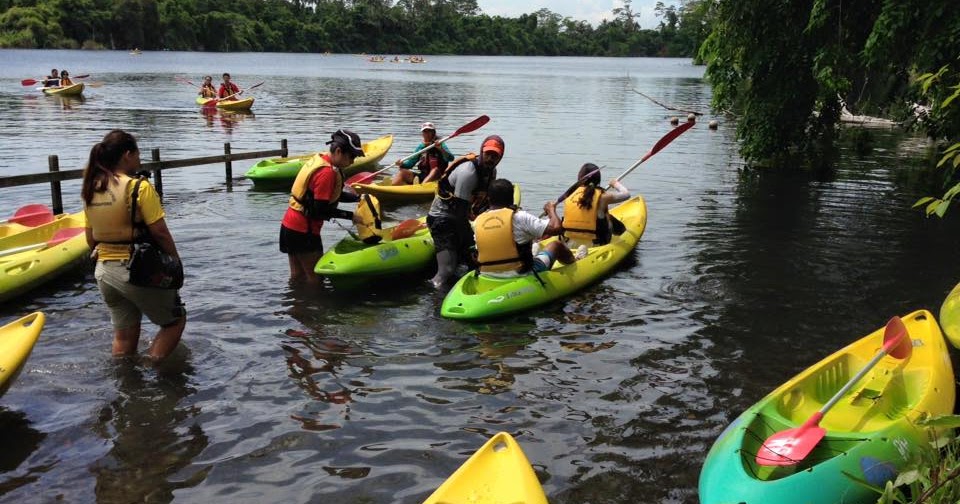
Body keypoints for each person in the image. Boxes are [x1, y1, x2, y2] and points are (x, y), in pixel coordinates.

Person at [81, 130, 186, 362]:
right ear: (127, 155)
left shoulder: (92, 188)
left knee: (124, 336)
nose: (139, 160)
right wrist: (175, 262)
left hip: (104, 272)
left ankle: (126, 379)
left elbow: (90, 239)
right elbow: (160, 233)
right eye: (137, 154)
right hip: (135, 269)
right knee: (175, 321)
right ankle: (153, 369)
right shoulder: (138, 188)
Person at [280, 129, 364, 284]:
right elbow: (321, 210)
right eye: (352, 156)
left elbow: (327, 195)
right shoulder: (327, 173)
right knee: (316, 279)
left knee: (297, 275)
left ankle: (295, 305)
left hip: (289, 226)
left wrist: (358, 197)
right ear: (339, 151)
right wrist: (352, 216)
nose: (353, 161)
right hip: (304, 231)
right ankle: (314, 307)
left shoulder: (321, 160)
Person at [427, 134, 505, 287]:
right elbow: (459, 214)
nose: (490, 159)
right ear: (481, 151)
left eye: (495, 156)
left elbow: (488, 204)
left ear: (500, 157)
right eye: (488, 154)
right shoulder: (468, 173)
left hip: (459, 217)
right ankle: (434, 301)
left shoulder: (491, 172)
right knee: (447, 270)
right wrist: (473, 236)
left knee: (476, 263)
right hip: (441, 219)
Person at [474, 179, 580, 278]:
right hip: (520, 273)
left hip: (486, 274)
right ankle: (577, 263)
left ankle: (535, 251)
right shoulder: (520, 217)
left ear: (488, 199)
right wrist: (551, 210)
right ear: (512, 199)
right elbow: (557, 228)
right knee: (556, 245)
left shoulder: (478, 221)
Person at [561, 163, 630, 248]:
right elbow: (626, 194)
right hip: (594, 244)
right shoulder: (603, 197)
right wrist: (615, 183)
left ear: (580, 178)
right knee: (608, 217)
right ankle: (622, 233)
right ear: (598, 179)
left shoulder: (570, 195)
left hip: (569, 243)